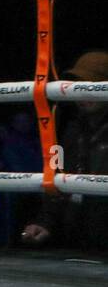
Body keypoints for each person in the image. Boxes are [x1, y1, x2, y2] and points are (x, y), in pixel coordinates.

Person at [20, 50, 108, 251]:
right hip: (73, 239)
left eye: (92, 85)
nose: (83, 93)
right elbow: (55, 173)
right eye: (78, 85)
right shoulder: (67, 130)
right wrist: (44, 222)